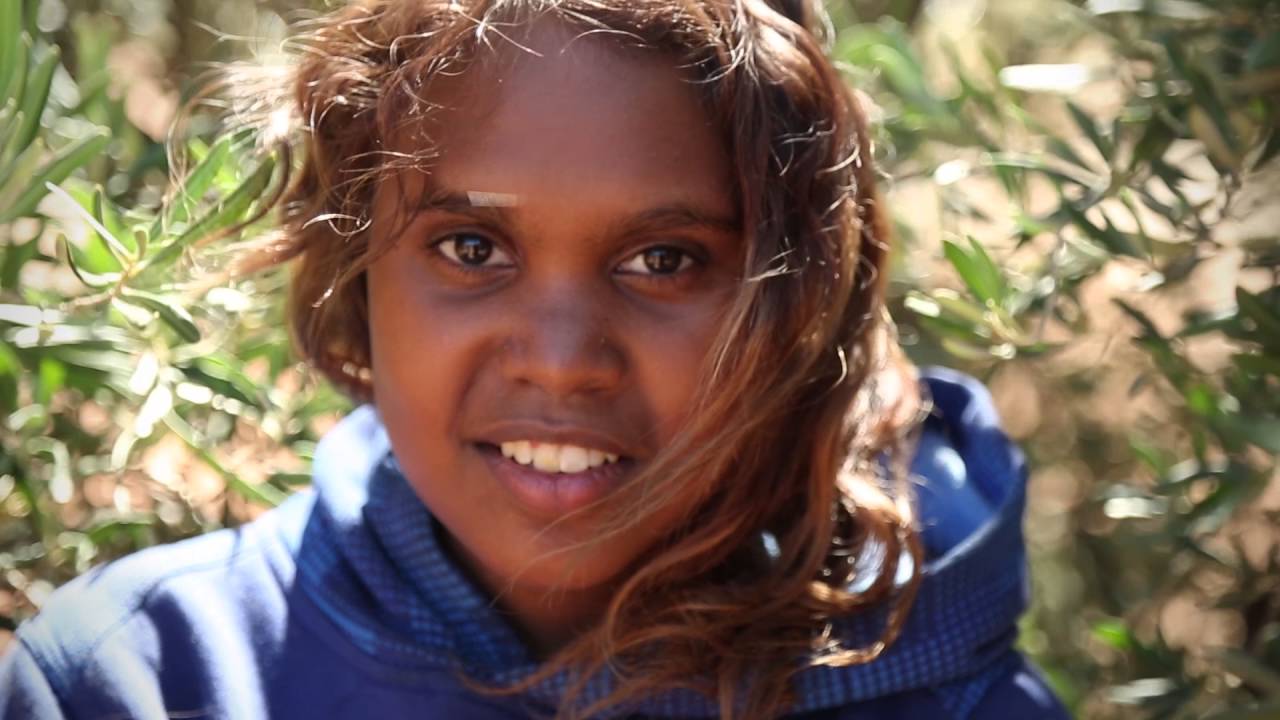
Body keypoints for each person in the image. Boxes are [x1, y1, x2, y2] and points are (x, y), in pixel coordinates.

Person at [0, 1, 1069, 718]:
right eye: (471, 249)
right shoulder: (145, 678)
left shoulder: (951, 690)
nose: (561, 365)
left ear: (802, 298)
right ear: (353, 268)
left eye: (663, 259)